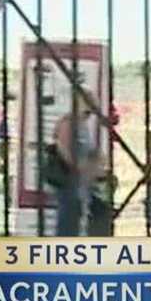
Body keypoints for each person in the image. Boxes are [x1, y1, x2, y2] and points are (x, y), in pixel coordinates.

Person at [50, 90, 106, 237]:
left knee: (78, 221)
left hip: (82, 183)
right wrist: (82, 167)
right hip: (69, 182)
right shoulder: (68, 123)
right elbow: (65, 151)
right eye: (90, 106)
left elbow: (87, 151)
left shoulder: (83, 126)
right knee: (68, 223)